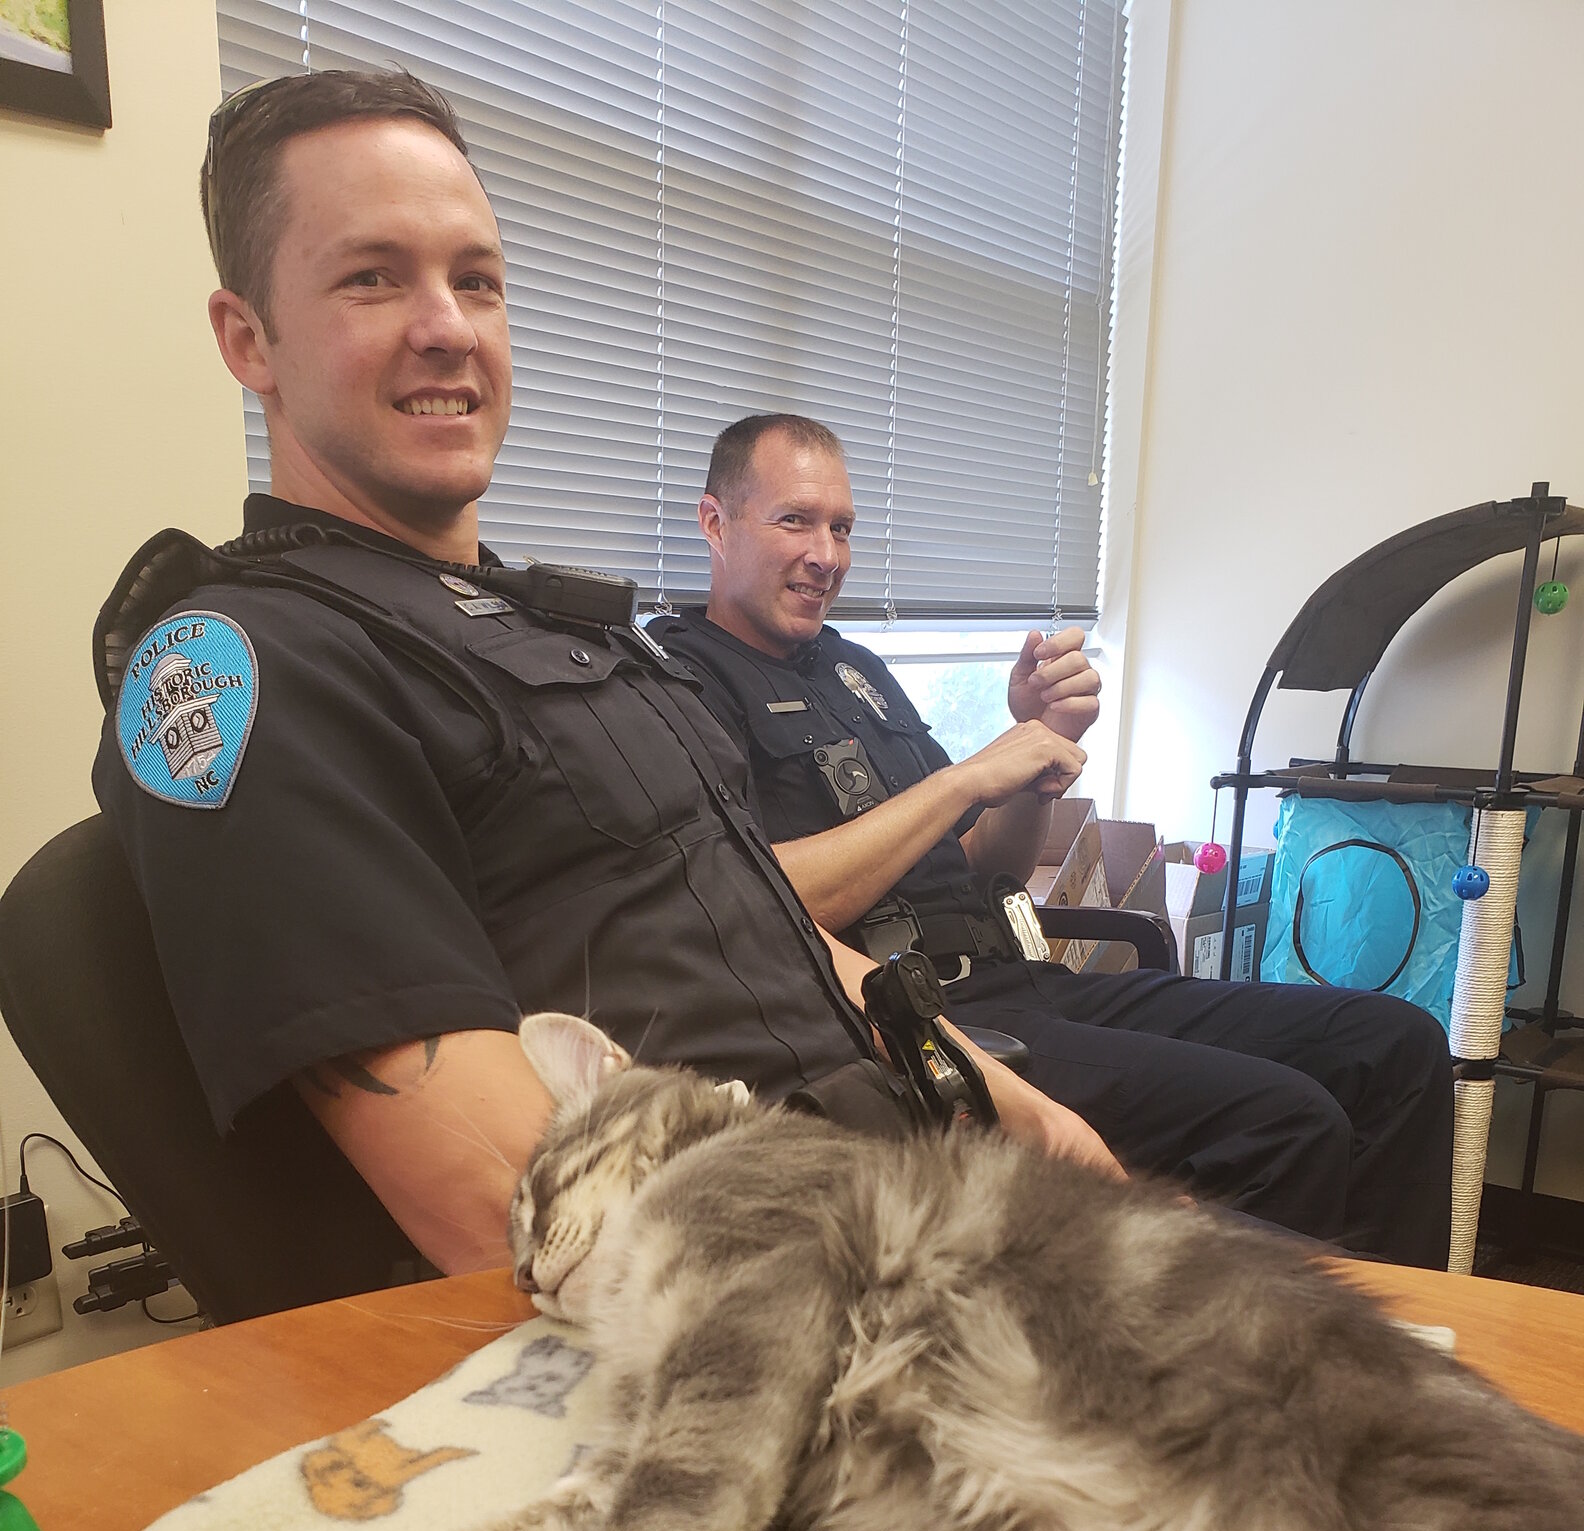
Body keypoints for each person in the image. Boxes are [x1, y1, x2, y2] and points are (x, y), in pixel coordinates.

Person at [91, 69, 1117, 1281]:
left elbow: (768, 923)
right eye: (373, 276)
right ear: (246, 338)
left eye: (477, 279)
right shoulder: (243, 669)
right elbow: (514, 1207)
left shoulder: (564, 630)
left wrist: (1013, 1105)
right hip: (774, 1296)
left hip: (917, 1182)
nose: (449, 326)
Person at [652, 414, 1456, 1267]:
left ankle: (1412, 1340)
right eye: (795, 521)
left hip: (1023, 977)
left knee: (1395, 1044)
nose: (827, 555)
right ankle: (1210, 1371)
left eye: (842, 527)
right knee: (1287, 1121)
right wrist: (964, 776)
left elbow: (985, 866)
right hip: (922, 1022)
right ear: (715, 521)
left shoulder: (855, 670)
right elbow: (751, 903)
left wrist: (1036, 766)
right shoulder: (675, 682)